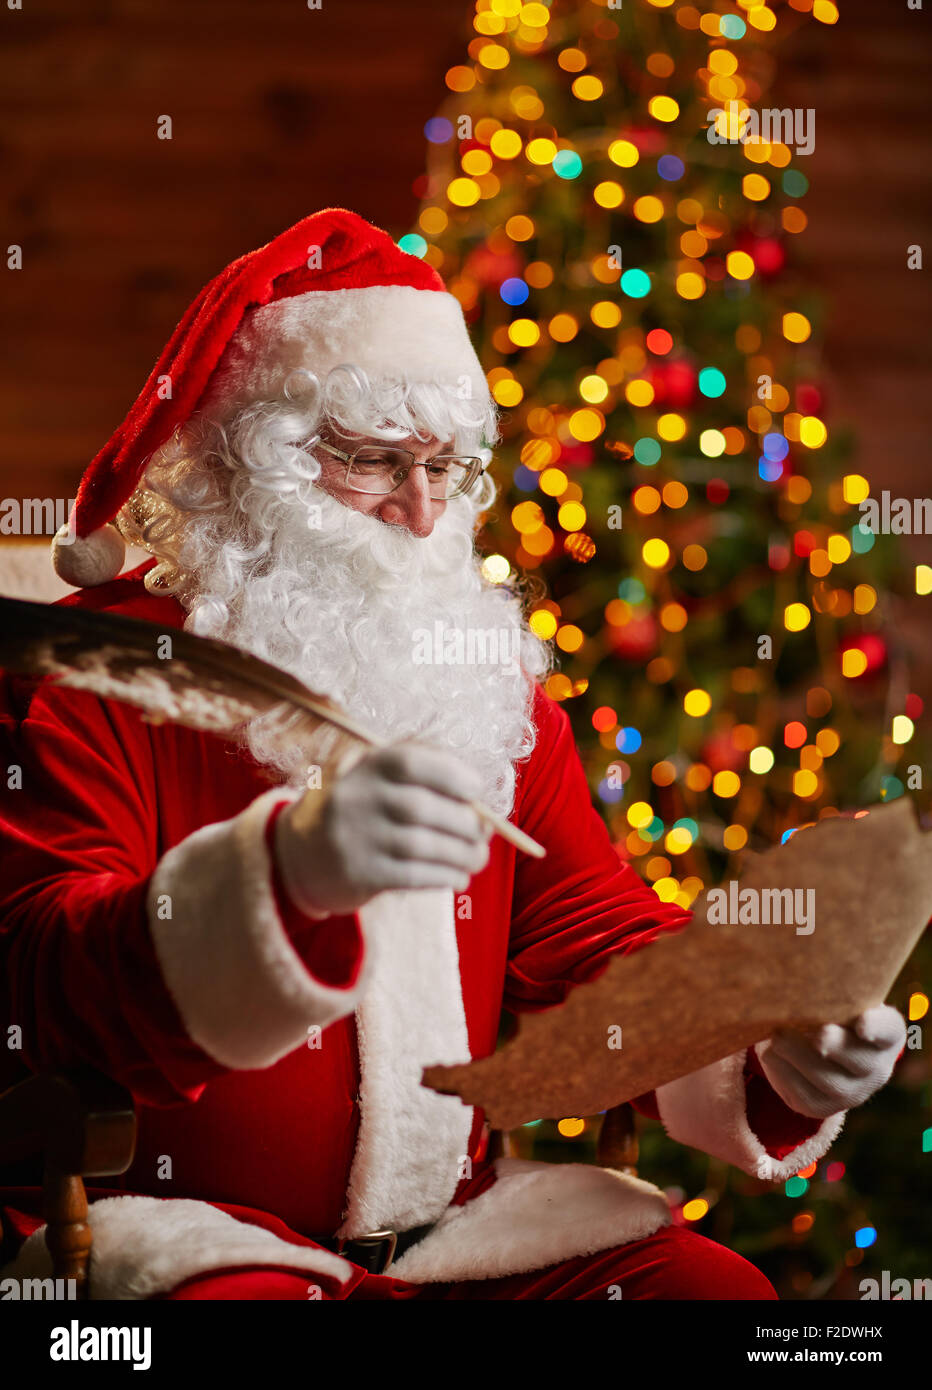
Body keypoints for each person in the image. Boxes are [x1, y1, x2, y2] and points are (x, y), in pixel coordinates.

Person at [0, 209, 906, 1301]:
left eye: (450, 468)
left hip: (453, 1238)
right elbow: (42, 978)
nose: (422, 513)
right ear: (254, 457)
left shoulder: (475, 671)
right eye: (376, 461)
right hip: (191, 1233)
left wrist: (771, 1051)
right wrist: (281, 879)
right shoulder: (98, 677)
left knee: (709, 1296)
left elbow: (590, 931)